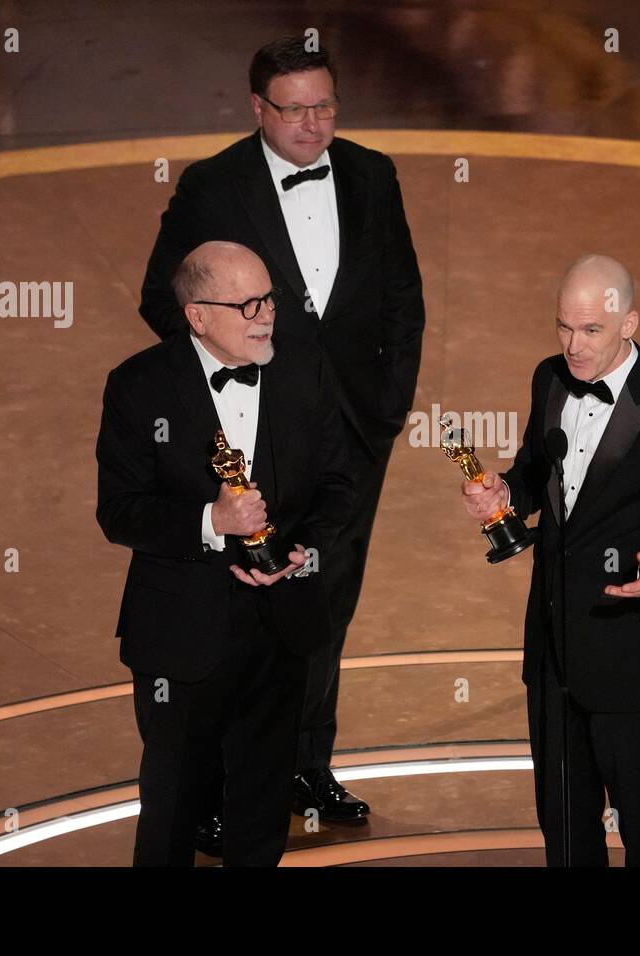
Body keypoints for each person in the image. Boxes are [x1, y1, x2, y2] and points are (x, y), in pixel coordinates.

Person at [139, 36, 425, 834]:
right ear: (257, 108)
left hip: (352, 444)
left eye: (325, 105)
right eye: (294, 109)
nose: (313, 123)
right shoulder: (212, 186)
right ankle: (216, 796)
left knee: (322, 608)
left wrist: (385, 410)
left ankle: (306, 769)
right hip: (252, 446)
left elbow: (402, 298)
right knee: (233, 616)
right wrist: (233, 388)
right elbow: (166, 304)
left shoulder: (372, 174)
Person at [460, 254, 640, 866]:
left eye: (590, 330)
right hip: (554, 654)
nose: (573, 345)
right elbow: (542, 471)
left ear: (629, 323)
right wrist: (508, 491)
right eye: (564, 327)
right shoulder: (549, 379)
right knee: (563, 830)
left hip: (632, 656)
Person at [97, 241, 355, 865]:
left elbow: (341, 483)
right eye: (246, 306)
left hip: (282, 624)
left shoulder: (304, 366)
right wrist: (212, 519)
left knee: (263, 805)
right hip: (184, 631)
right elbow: (119, 511)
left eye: (268, 299)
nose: (265, 315)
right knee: (173, 806)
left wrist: (302, 552)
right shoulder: (139, 387)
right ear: (198, 316)